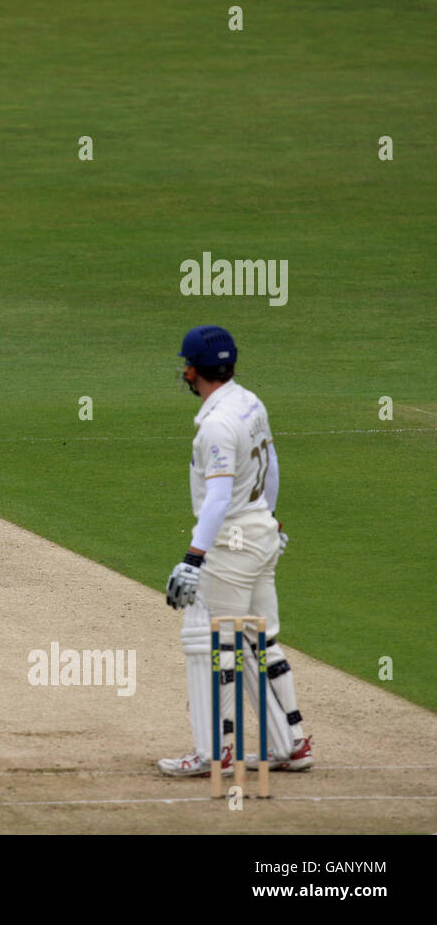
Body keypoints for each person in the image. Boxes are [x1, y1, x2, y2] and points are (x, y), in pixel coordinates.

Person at [159, 325, 312, 779]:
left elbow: (219, 499)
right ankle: (292, 744)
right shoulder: (249, 402)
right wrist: (269, 517)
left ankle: (214, 753)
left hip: (231, 545)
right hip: (260, 536)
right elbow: (273, 462)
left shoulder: (217, 426)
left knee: (209, 644)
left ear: (191, 370)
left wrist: (193, 557)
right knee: (259, 639)